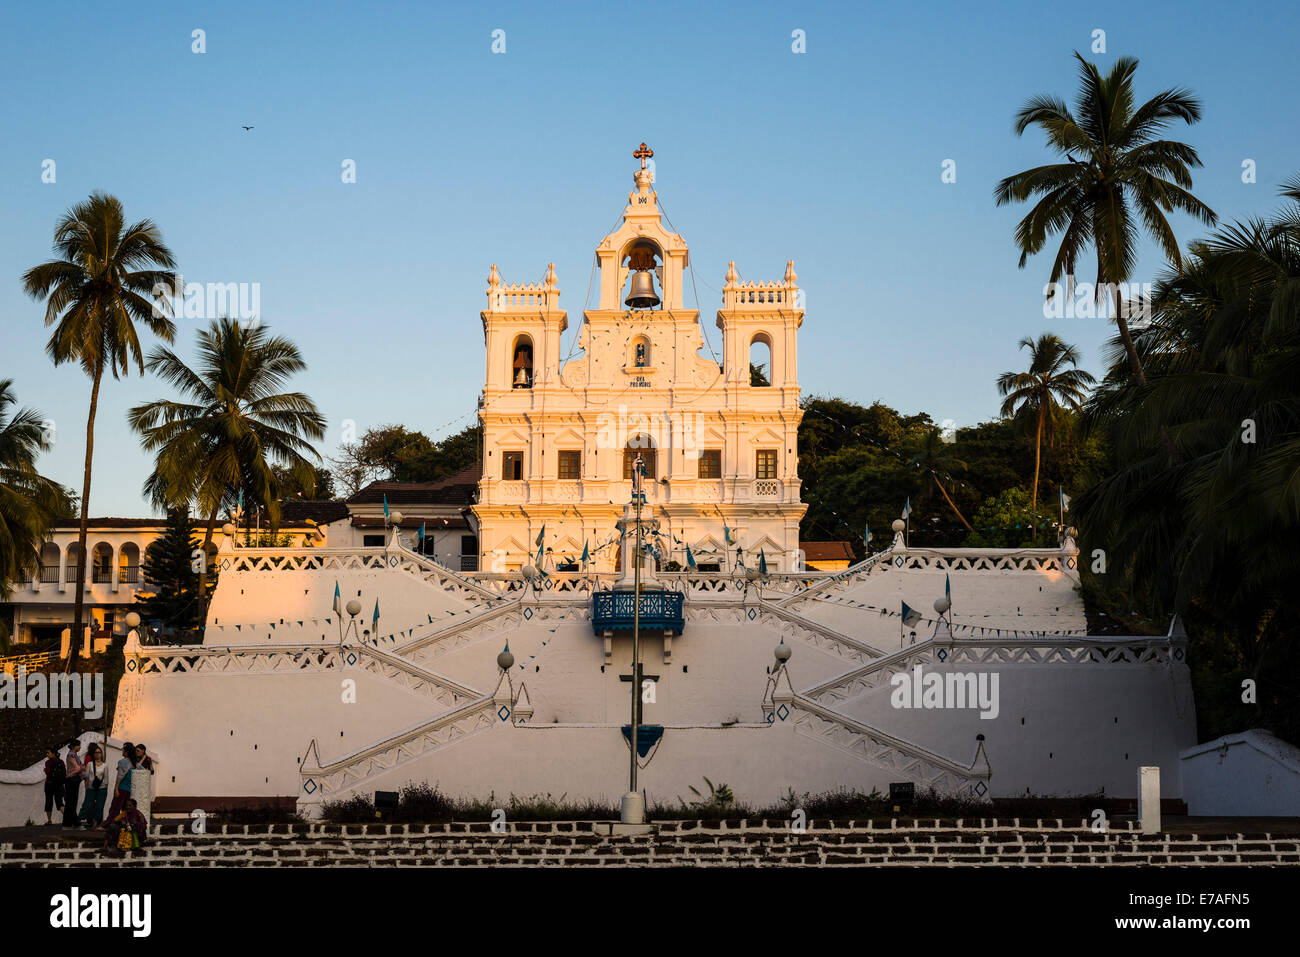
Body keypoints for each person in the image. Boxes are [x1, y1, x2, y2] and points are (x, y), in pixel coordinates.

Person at [103, 741, 136, 827]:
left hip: (122, 788)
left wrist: (116, 788)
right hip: (129, 790)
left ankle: (108, 824)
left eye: (123, 750)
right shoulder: (135, 763)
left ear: (126, 752)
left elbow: (120, 776)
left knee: (115, 808)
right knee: (126, 809)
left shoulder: (122, 762)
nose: (122, 751)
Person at [79, 743, 108, 829]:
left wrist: (106, 788)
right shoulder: (90, 764)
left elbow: (106, 778)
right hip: (91, 788)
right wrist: (86, 786)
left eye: (99, 752)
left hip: (102, 788)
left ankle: (96, 822)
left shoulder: (105, 765)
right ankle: (78, 819)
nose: (98, 754)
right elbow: (86, 776)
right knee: (86, 804)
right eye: (96, 752)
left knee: (99, 806)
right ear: (93, 753)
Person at [62, 739, 83, 828]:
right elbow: (77, 768)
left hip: (71, 780)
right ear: (75, 746)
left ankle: (68, 823)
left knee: (70, 802)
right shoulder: (71, 755)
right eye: (79, 745)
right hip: (72, 780)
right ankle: (75, 823)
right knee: (72, 802)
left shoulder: (73, 755)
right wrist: (81, 768)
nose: (80, 747)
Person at [42, 746, 64, 825]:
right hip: (59, 785)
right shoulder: (61, 762)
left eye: (48, 753)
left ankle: (49, 820)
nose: (47, 755)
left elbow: (48, 772)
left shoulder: (48, 762)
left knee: (49, 802)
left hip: (49, 784)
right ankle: (68, 818)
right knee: (59, 802)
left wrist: (45, 771)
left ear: (53, 753)